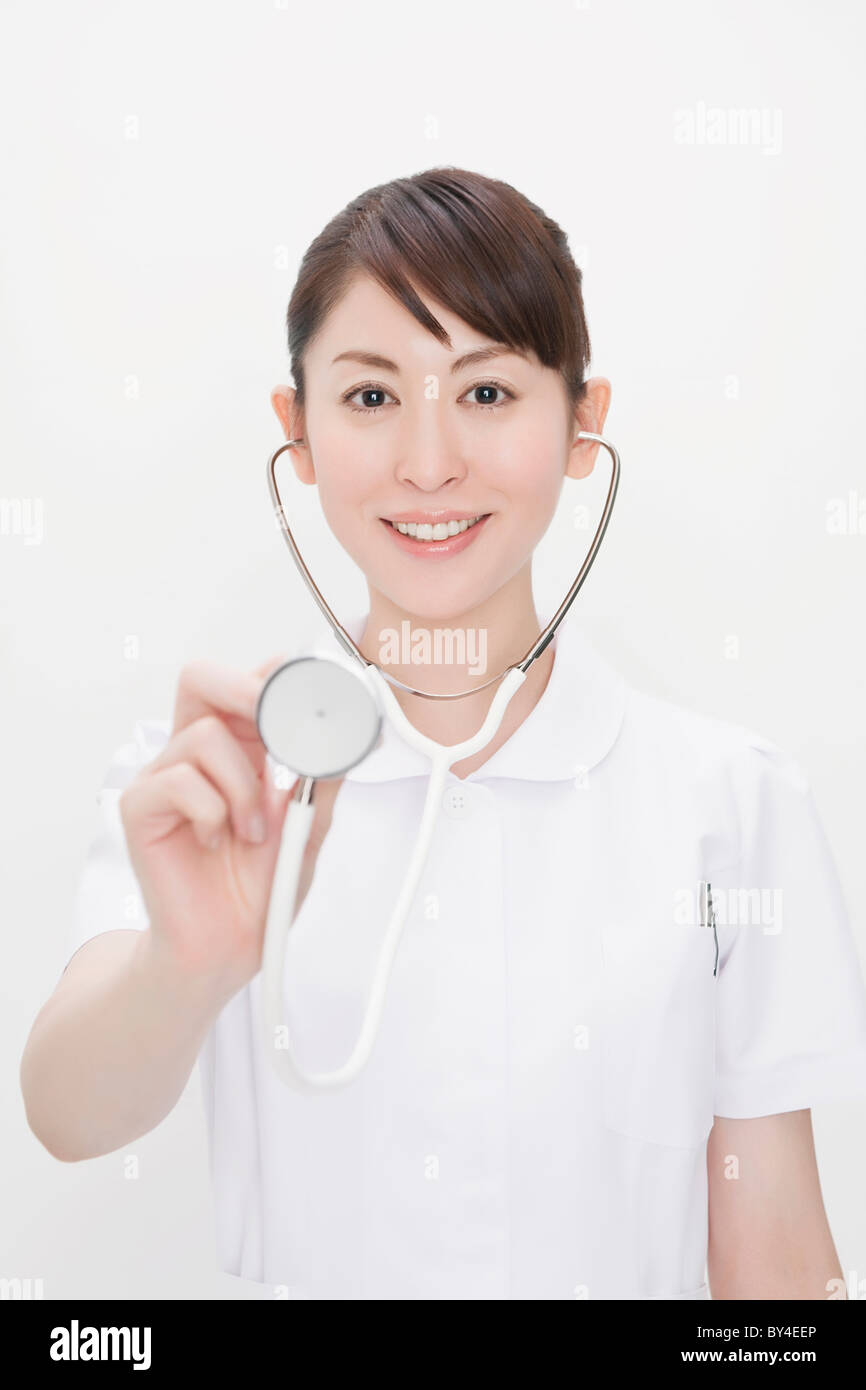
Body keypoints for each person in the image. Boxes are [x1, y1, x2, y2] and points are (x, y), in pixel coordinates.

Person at [20, 166, 866, 1301]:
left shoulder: (728, 804)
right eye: (371, 397)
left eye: (485, 393)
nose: (428, 464)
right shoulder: (208, 782)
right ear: (299, 431)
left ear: (581, 421)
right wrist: (185, 965)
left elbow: (774, 1283)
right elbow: (67, 1114)